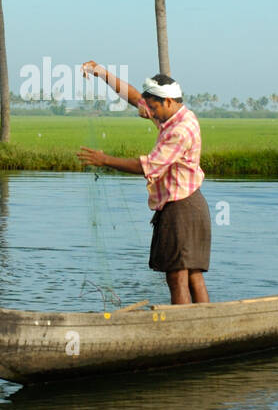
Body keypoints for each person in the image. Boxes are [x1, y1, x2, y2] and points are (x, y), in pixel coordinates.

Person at [76, 61, 210, 305]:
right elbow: (134, 97)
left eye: (153, 107)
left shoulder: (179, 130)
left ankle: (184, 330)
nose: (149, 112)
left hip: (181, 207)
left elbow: (147, 167)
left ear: (167, 102)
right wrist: (103, 73)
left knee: (177, 275)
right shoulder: (172, 117)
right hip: (189, 205)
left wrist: (104, 159)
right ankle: (206, 326)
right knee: (193, 275)